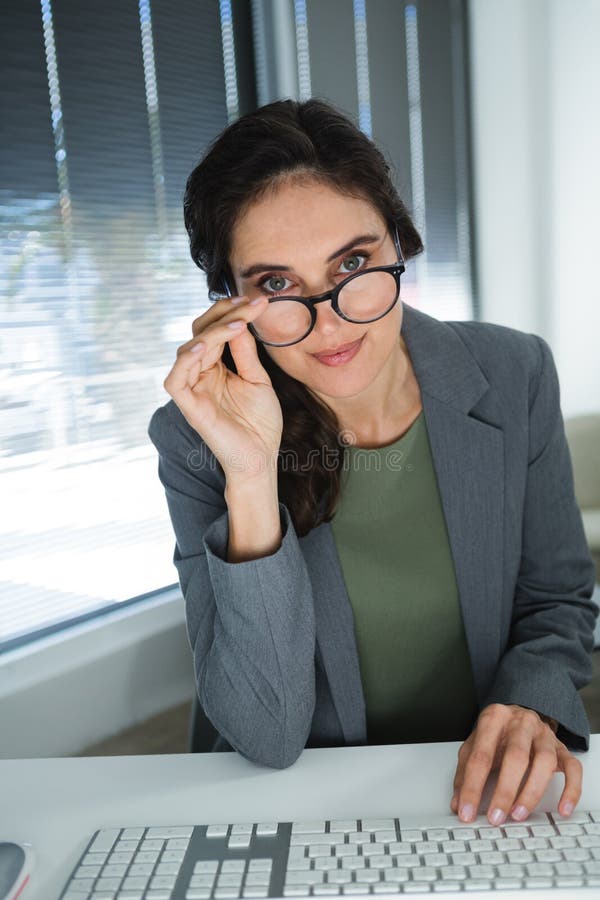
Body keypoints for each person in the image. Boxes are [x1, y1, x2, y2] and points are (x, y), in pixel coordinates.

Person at [148, 98, 598, 828]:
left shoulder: (514, 373)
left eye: (353, 263)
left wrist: (530, 699)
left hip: (475, 796)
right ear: (231, 307)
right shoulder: (194, 439)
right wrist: (252, 473)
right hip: (306, 805)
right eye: (277, 285)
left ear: (400, 243)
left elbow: (557, 601)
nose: (330, 321)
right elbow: (264, 732)